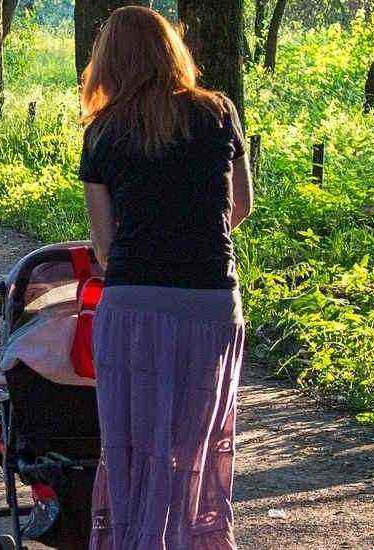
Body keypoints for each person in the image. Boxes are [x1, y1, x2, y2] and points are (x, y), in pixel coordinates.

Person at [76, 6, 253, 550]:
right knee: (193, 444)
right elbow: (240, 204)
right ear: (172, 50)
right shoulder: (217, 112)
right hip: (210, 301)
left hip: (133, 302)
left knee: (132, 444)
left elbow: (104, 247)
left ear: (108, 62)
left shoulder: (101, 132)